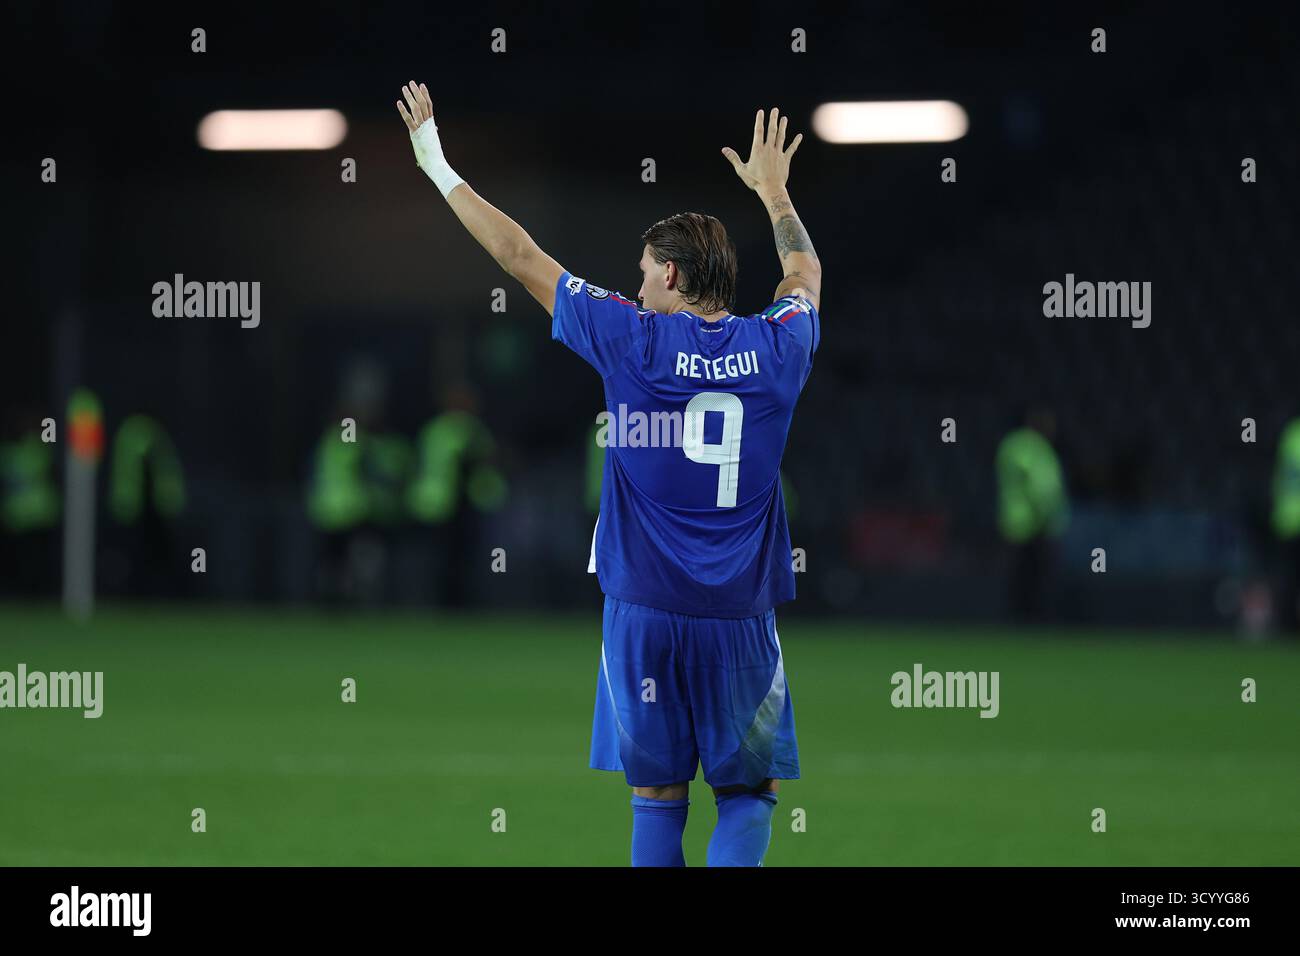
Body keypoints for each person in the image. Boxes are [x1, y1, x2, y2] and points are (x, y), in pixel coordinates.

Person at [397, 83, 821, 866]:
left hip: (642, 613)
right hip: (737, 614)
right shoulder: (778, 349)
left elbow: (516, 254)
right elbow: (803, 277)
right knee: (748, 795)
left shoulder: (629, 338)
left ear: (670, 274)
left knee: (657, 797)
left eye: (642, 269)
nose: (633, 284)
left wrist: (435, 164)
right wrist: (775, 193)